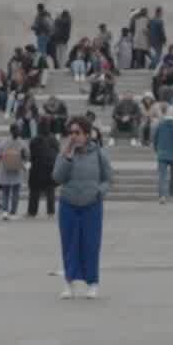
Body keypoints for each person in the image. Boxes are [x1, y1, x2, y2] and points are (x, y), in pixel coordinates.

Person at [51, 117, 109, 298]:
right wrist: (67, 155)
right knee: (69, 244)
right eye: (71, 133)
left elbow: (108, 177)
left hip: (91, 205)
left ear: (87, 134)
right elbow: (57, 177)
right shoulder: (65, 153)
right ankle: (69, 283)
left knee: (90, 244)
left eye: (77, 133)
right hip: (68, 204)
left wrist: (100, 191)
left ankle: (92, 283)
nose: (74, 136)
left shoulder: (98, 153)